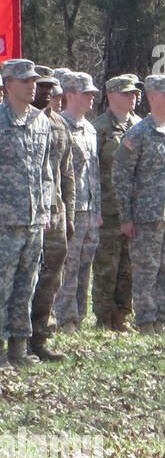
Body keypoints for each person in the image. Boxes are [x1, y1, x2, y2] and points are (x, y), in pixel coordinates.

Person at [114, 75, 165, 334]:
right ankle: (145, 320)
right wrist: (126, 216)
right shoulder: (138, 133)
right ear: (152, 96)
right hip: (147, 215)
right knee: (147, 268)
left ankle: (161, 319)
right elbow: (121, 176)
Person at [0, 60, 55, 369]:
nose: (32, 85)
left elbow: (46, 171)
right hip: (4, 220)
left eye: (33, 80)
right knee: (1, 286)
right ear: (8, 85)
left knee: (26, 286)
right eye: (24, 81)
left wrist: (45, 209)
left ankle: (19, 349)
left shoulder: (41, 121)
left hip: (34, 219)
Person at [29, 72, 75, 360]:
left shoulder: (59, 124)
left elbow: (67, 173)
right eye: (41, 87)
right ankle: (13, 339)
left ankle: (40, 338)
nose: (46, 93)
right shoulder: (19, 123)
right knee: (21, 279)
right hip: (24, 213)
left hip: (55, 215)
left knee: (51, 278)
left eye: (50, 88)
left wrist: (69, 213)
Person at [54, 72, 103, 332]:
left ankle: (79, 317)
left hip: (89, 210)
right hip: (70, 210)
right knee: (68, 267)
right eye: (86, 93)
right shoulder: (60, 126)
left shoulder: (90, 129)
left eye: (92, 93)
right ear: (70, 95)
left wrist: (98, 210)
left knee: (85, 266)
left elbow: (93, 172)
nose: (91, 97)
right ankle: (65, 319)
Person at [92, 74, 141, 330]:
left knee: (128, 267)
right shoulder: (99, 128)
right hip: (109, 210)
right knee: (106, 268)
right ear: (111, 96)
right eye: (126, 93)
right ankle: (104, 317)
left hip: (133, 210)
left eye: (134, 93)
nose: (132, 97)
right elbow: (92, 170)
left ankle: (122, 315)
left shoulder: (140, 126)